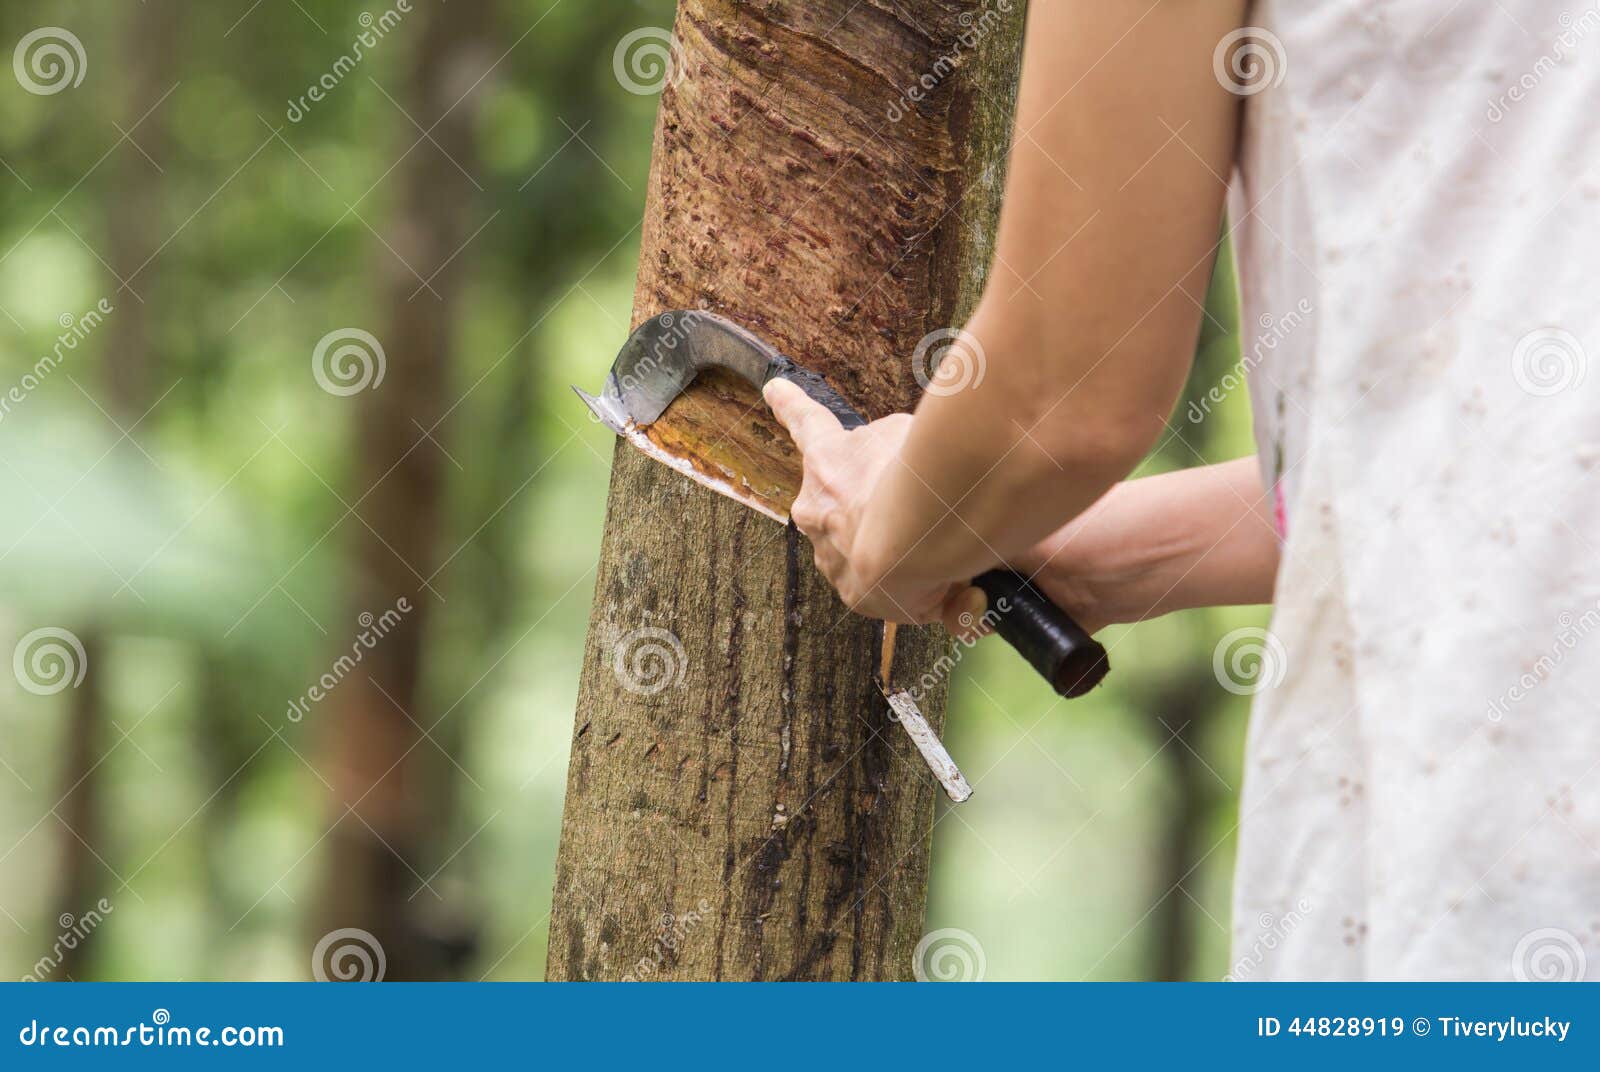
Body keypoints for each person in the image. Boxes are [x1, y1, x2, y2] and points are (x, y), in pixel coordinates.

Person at [765, 1, 1600, 981]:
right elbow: (1501, 453)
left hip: (1508, 807)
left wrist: (895, 526)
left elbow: (1059, 395)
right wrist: (1106, 549)